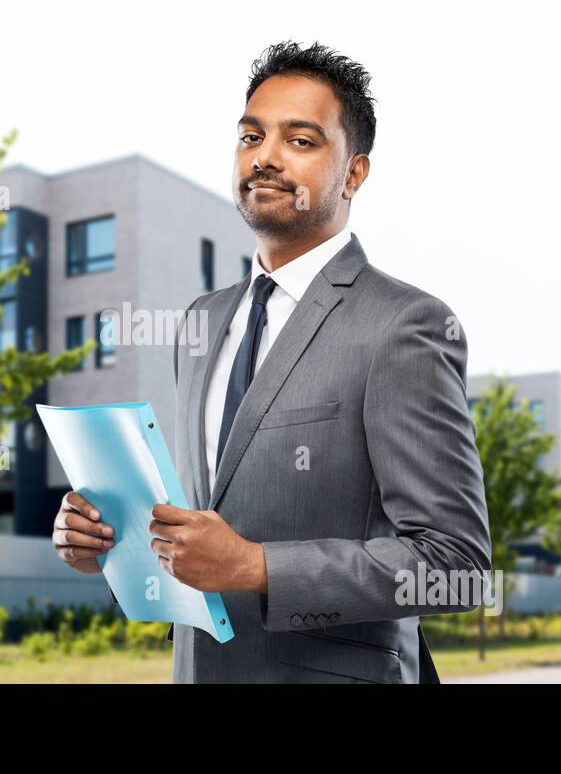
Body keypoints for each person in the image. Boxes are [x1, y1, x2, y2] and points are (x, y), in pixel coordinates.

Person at [52, 40, 491, 683]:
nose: (265, 156)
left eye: (301, 140)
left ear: (354, 173)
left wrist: (256, 567)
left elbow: (457, 566)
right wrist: (109, 547)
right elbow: (203, 522)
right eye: (250, 135)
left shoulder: (402, 324)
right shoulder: (200, 322)